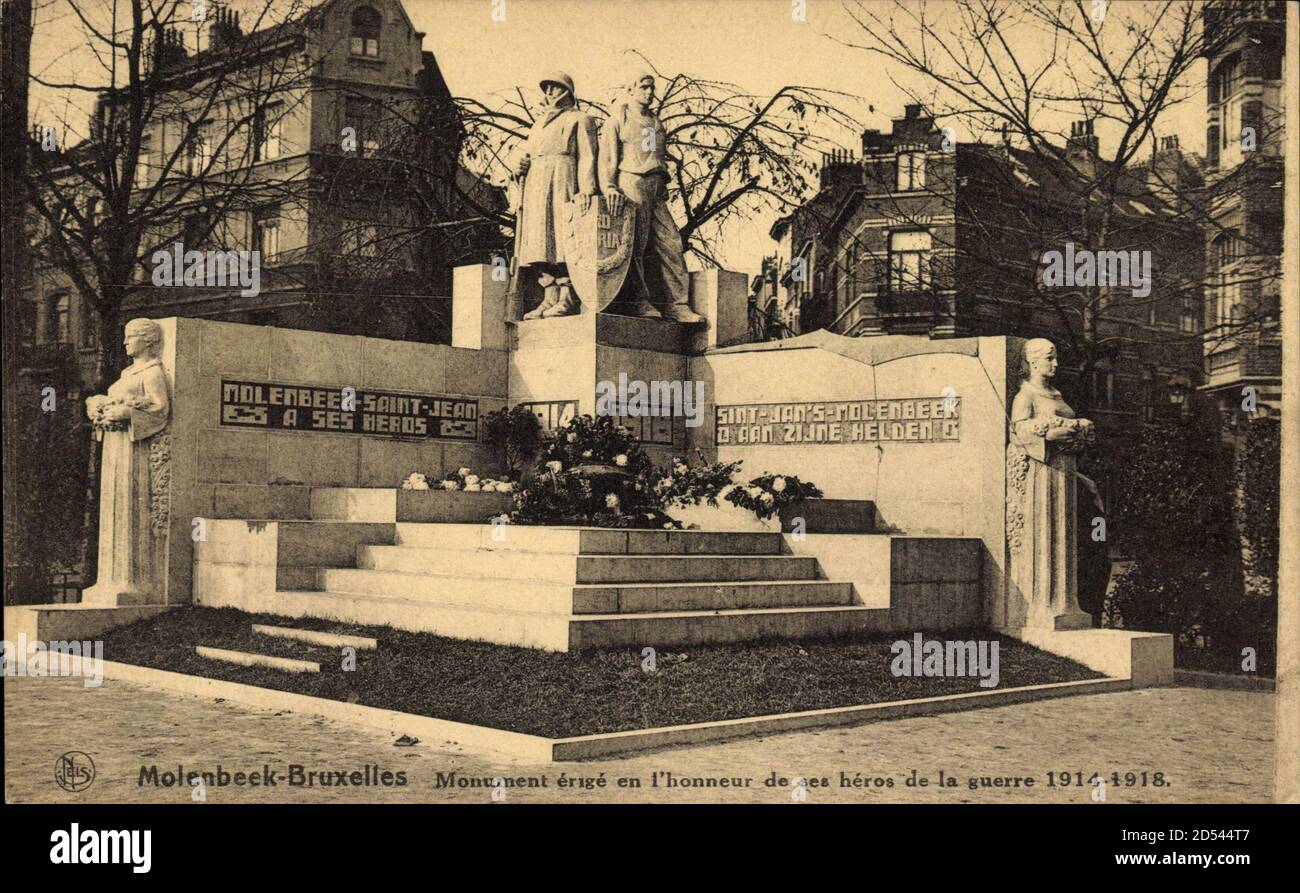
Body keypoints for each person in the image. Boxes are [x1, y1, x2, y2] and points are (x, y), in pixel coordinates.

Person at [599, 71, 704, 322]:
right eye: (644, 87)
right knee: (636, 243)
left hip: (655, 187)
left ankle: (677, 304)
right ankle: (639, 300)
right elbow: (608, 158)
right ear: (631, 89)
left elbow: (657, 155)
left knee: (671, 243)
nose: (649, 92)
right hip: (631, 182)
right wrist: (610, 186)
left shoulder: (656, 122)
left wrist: (662, 181)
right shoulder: (619, 118)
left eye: (652, 88)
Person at [1006, 338, 1095, 630]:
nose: (1055, 364)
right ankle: (1042, 607)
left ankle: (1067, 604)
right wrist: (1047, 436)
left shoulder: (1057, 395)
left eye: (1055, 358)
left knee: (1064, 533)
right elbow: (1018, 431)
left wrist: (1080, 430)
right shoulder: (1026, 395)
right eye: (1049, 359)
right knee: (1045, 533)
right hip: (1042, 475)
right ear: (1032, 362)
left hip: (1064, 472)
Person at [83, 318, 171, 605]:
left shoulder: (152, 371)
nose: (125, 342)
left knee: (128, 508)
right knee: (112, 506)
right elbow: (113, 403)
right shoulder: (128, 372)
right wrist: (99, 410)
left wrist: (127, 414)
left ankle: (132, 582)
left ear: (147, 340)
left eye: (131, 336)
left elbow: (159, 410)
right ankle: (108, 580)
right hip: (115, 449)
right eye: (125, 336)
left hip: (134, 450)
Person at [514, 71, 600, 319]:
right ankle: (549, 296)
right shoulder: (537, 125)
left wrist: (586, 189)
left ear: (567, 91)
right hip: (536, 184)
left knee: (563, 241)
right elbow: (527, 154)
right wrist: (519, 166)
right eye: (547, 88)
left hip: (563, 177)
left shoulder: (580, 119)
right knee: (540, 243)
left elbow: (588, 158)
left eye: (555, 87)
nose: (549, 92)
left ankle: (567, 298)